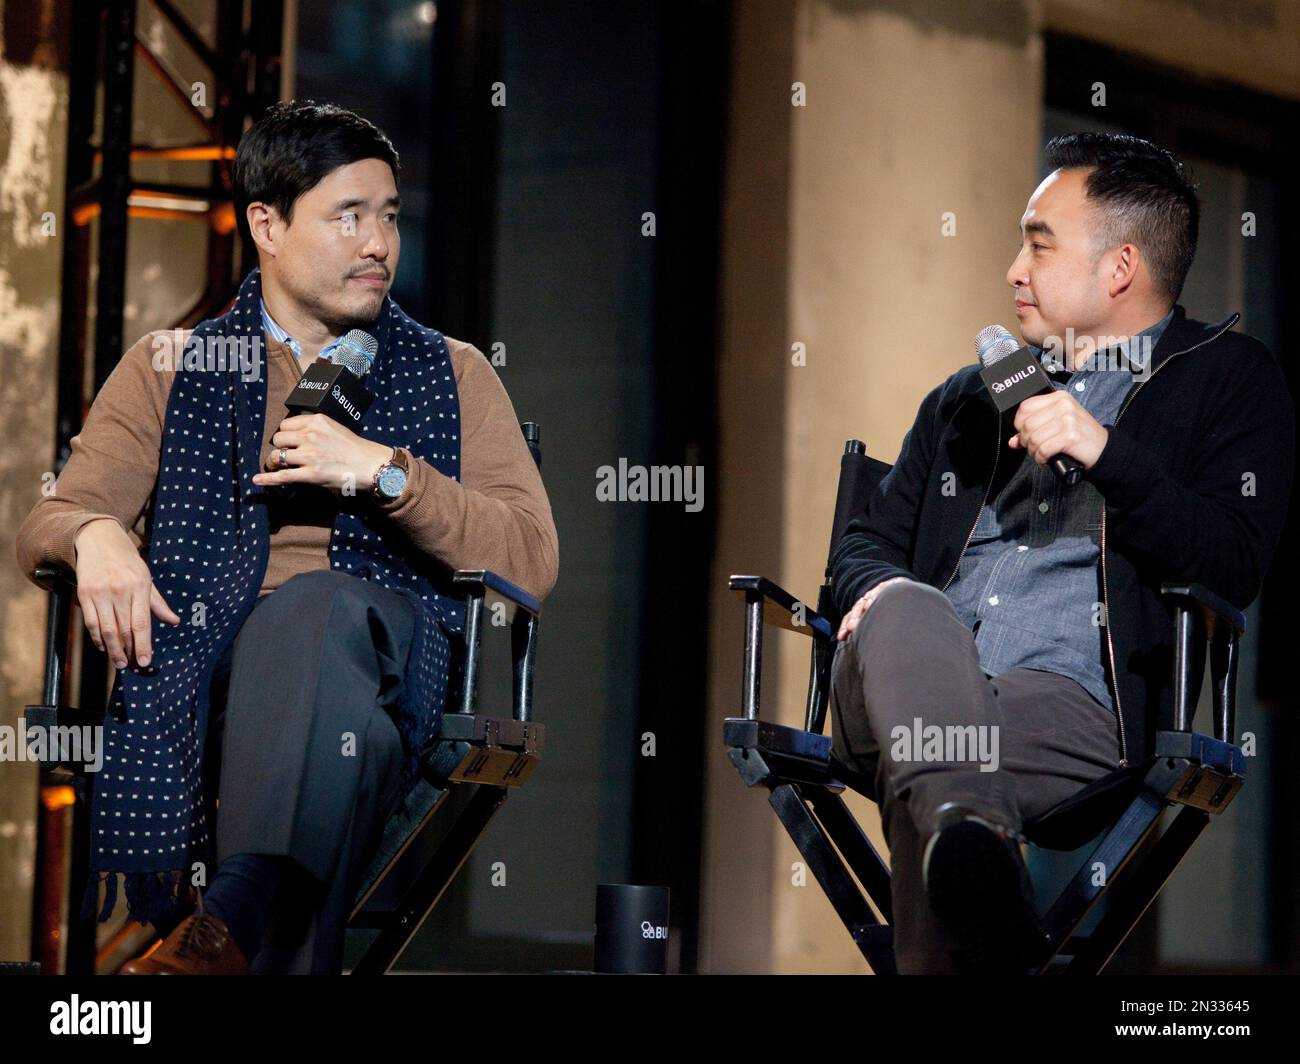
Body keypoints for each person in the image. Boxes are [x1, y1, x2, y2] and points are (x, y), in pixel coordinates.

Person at [15, 100, 559, 974]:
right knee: (342, 749)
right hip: (220, 679)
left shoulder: (453, 372)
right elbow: (48, 519)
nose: (379, 243)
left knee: (321, 609)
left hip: (386, 670)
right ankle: (237, 933)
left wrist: (386, 473)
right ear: (265, 224)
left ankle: (219, 923)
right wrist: (95, 537)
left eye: (388, 216)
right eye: (348, 216)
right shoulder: (174, 364)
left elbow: (531, 554)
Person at [827, 132, 1293, 974]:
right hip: (900, 677)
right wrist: (880, 595)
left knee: (930, 775)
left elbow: (1232, 560)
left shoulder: (1228, 379)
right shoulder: (968, 400)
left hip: (1076, 707)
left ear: (1119, 268)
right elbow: (866, 543)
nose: (1013, 268)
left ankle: (967, 846)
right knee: (908, 614)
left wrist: (1107, 453)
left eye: (1038, 243)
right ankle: (976, 847)